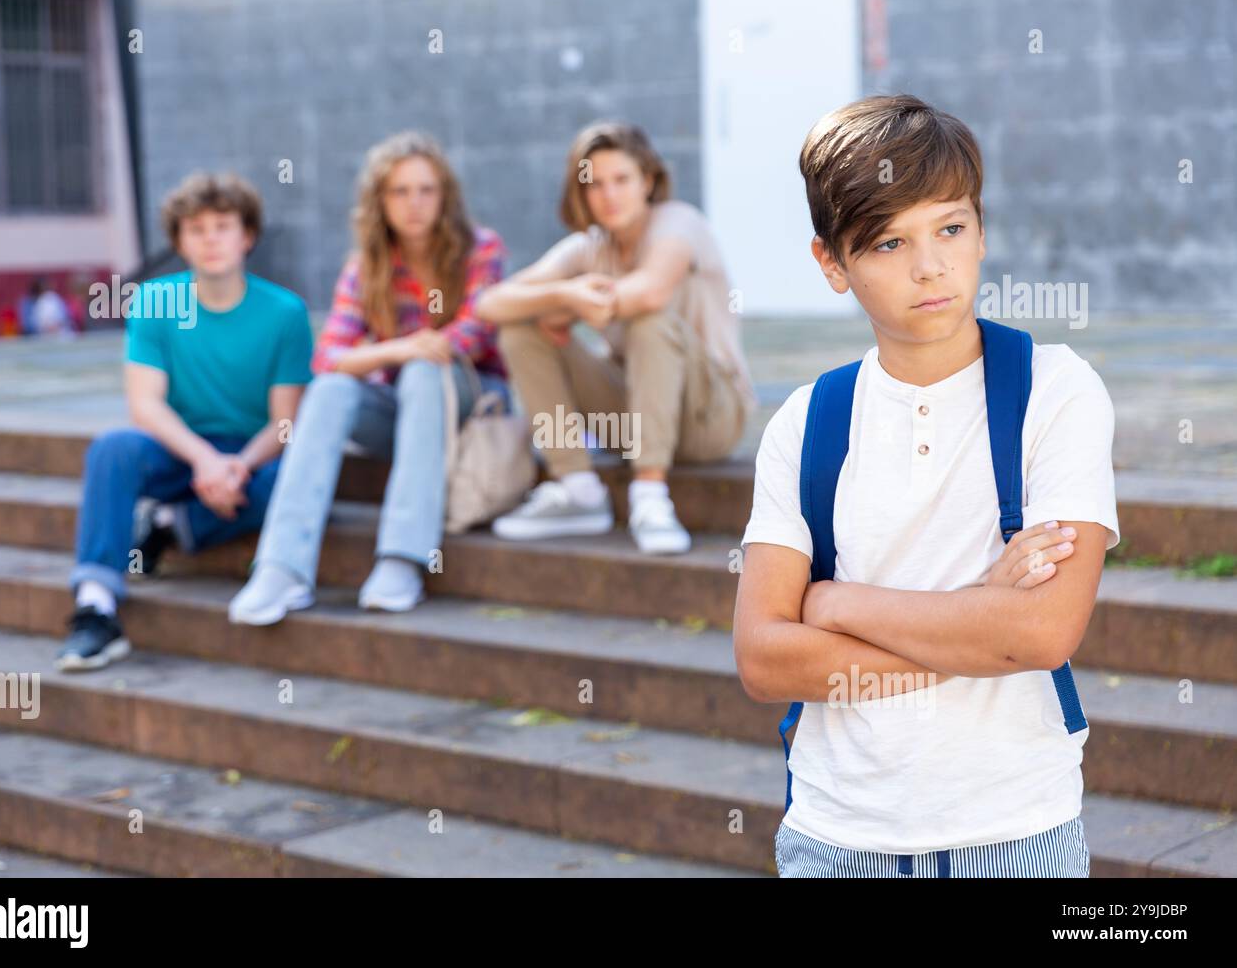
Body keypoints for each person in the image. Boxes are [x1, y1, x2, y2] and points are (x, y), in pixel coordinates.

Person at [734, 95, 1119, 877]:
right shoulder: (808, 422)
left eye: (951, 227)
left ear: (980, 229)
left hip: (1016, 833)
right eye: (887, 242)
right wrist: (981, 623)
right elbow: (766, 658)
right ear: (832, 264)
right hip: (838, 838)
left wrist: (837, 605)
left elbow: (1042, 635)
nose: (930, 266)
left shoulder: (1054, 391)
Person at [227, 132, 508, 623]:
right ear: (380, 201)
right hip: (402, 409)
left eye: (425, 190)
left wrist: (404, 354)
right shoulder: (367, 266)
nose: (414, 203)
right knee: (333, 390)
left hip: (473, 399)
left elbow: (472, 337)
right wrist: (399, 348)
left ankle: (402, 558)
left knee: (422, 372)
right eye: (399, 192)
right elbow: (328, 357)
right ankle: (283, 567)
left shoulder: (480, 248)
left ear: (445, 196)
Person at [58, 172, 312, 670]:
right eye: (196, 229)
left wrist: (236, 464)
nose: (211, 238)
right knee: (112, 449)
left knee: (293, 479)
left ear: (248, 235)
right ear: (178, 241)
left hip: (252, 456)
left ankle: (171, 524)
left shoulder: (285, 312)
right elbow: (145, 405)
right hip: (181, 450)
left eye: (223, 225)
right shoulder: (155, 302)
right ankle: (96, 607)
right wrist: (204, 460)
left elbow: (286, 423)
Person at [477, 121, 756, 555]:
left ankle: (649, 497)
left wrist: (562, 307)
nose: (609, 194)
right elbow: (490, 304)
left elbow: (649, 291)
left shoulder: (678, 222)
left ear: (647, 180)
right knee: (521, 328)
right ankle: (577, 489)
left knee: (649, 319)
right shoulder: (588, 247)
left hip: (709, 417)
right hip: (632, 416)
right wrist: (562, 293)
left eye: (622, 180)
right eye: (596, 183)